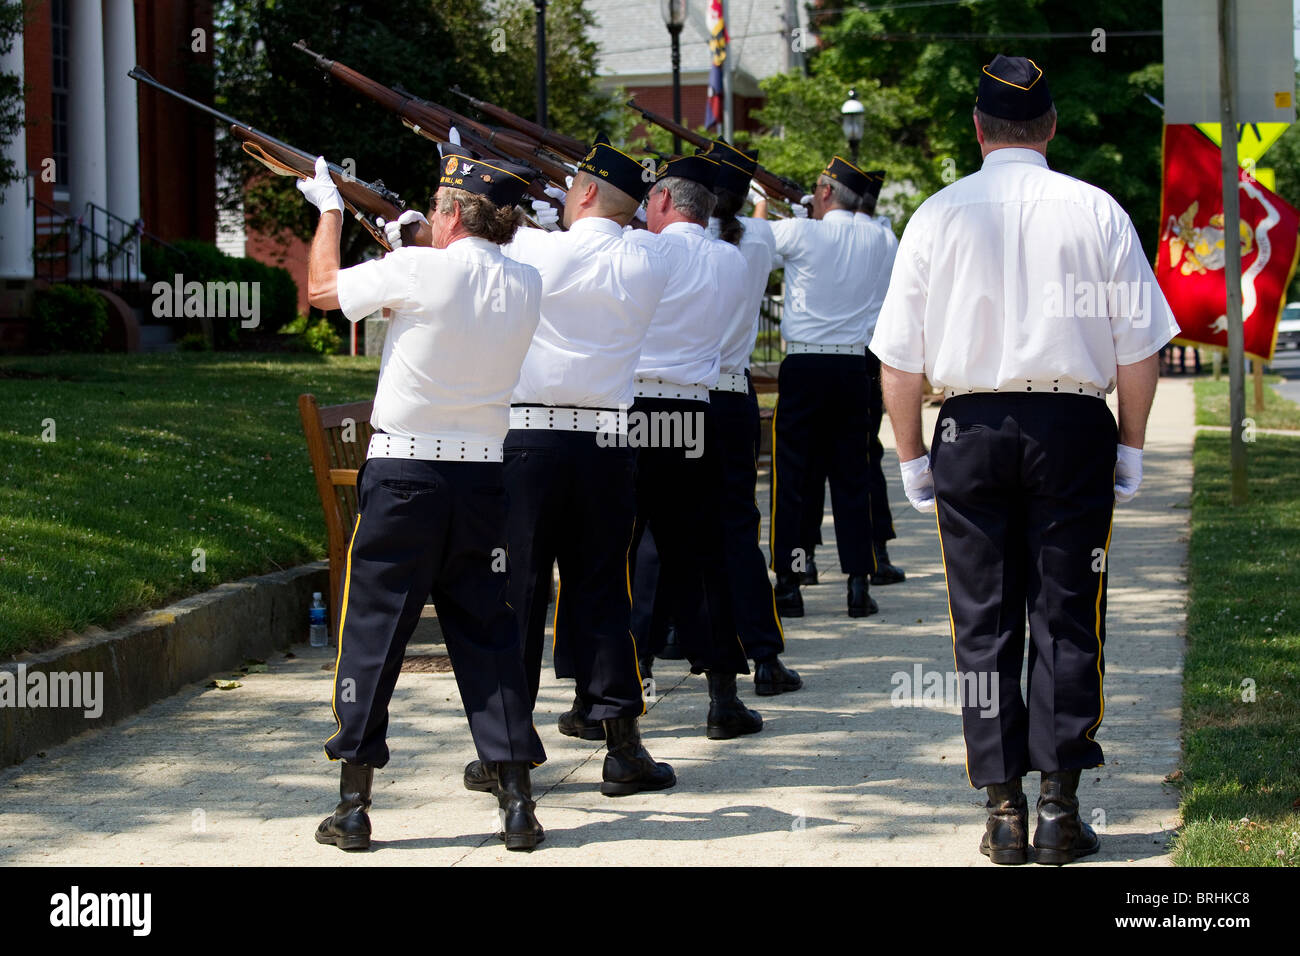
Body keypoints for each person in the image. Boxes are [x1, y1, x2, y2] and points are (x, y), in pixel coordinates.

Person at [871, 55, 1179, 865]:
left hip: (968, 428)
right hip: (1071, 427)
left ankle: (1001, 810)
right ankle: (1058, 808)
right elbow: (1138, 347)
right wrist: (1134, 443)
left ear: (978, 129)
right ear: (1049, 127)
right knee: (1067, 614)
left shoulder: (937, 214)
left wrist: (908, 457)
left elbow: (899, 362)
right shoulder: (1098, 210)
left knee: (982, 623)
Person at [299, 147, 548, 852]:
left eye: (436, 209)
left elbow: (321, 290)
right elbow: (460, 274)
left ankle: (352, 804)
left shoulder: (419, 269)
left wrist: (330, 210)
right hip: (481, 481)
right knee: (488, 634)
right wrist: (407, 241)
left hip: (405, 475)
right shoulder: (526, 280)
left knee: (375, 633)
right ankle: (517, 802)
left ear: (448, 212)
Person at [467, 137, 676, 797]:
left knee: (518, 594)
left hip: (528, 441)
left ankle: (507, 749)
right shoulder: (647, 258)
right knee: (602, 593)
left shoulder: (533, 249)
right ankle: (622, 745)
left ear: (582, 192)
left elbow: (478, 233)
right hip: (607, 445)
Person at [623, 152, 764, 739]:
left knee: (626, 553)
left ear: (661, 201)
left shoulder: (640, 252)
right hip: (693, 411)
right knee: (702, 556)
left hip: (634, 412)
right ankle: (722, 695)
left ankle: (624, 683)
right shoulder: (730, 258)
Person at [767, 156, 895, 618]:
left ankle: (789, 581)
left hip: (804, 365)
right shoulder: (882, 236)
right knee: (852, 477)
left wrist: (777, 210)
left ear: (824, 193)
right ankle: (858, 583)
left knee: (795, 479)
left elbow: (755, 238)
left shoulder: (803, 233)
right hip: (853, 369)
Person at [701, 138, 801, 696]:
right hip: (733, 399)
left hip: (677, 402)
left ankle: (646, 652)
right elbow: (758, 220)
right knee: (738, 530)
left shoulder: (674, 242)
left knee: (656, 532)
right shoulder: (757, 236)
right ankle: (762, 656)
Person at [797, 169, 906, 588]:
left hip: (828, 358)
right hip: (863, 360)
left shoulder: (830, 236)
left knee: (809, 465)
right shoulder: (880, 239)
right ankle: (872, 556)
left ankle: (801, 559)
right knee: (861, 461)